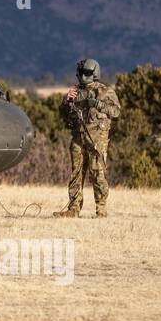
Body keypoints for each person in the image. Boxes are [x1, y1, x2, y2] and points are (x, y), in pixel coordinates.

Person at [54, 58, 121, 218]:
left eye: (87, 73)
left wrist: (98, 104)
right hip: (78, 139)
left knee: (98, 173)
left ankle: (101, 209)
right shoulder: (75, 92)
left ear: (94, 73)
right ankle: (74, 209)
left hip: (96, 141)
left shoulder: (106, 91)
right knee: (76, 173)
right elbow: (64, 115)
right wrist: (67, 101)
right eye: (81, 72)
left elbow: (116, 112)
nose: (83, 76)